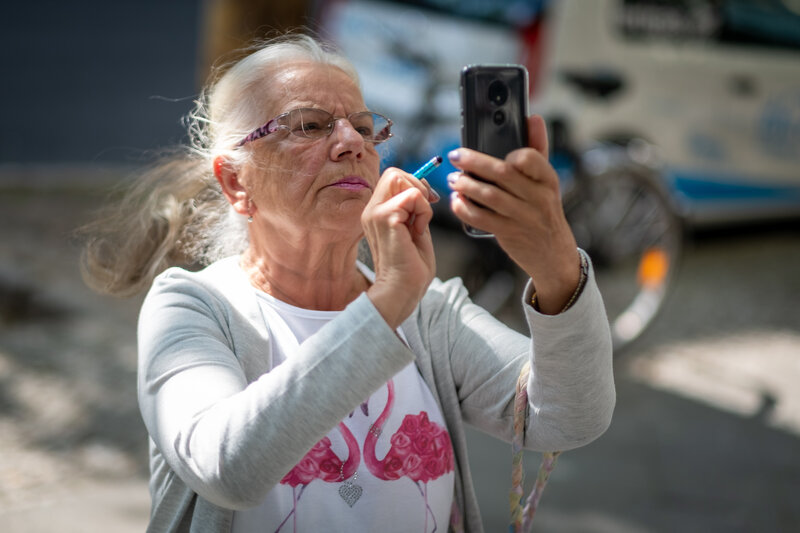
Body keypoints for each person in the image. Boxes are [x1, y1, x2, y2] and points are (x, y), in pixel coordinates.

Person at [81, 33, 615, 533]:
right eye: (310, 126)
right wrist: (388, 302)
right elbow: (229, 470)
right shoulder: (193, 307)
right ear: (235, 181)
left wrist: (554, 264)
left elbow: (570, 419)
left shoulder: (429, 314)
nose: (350, 144)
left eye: (363, 128)